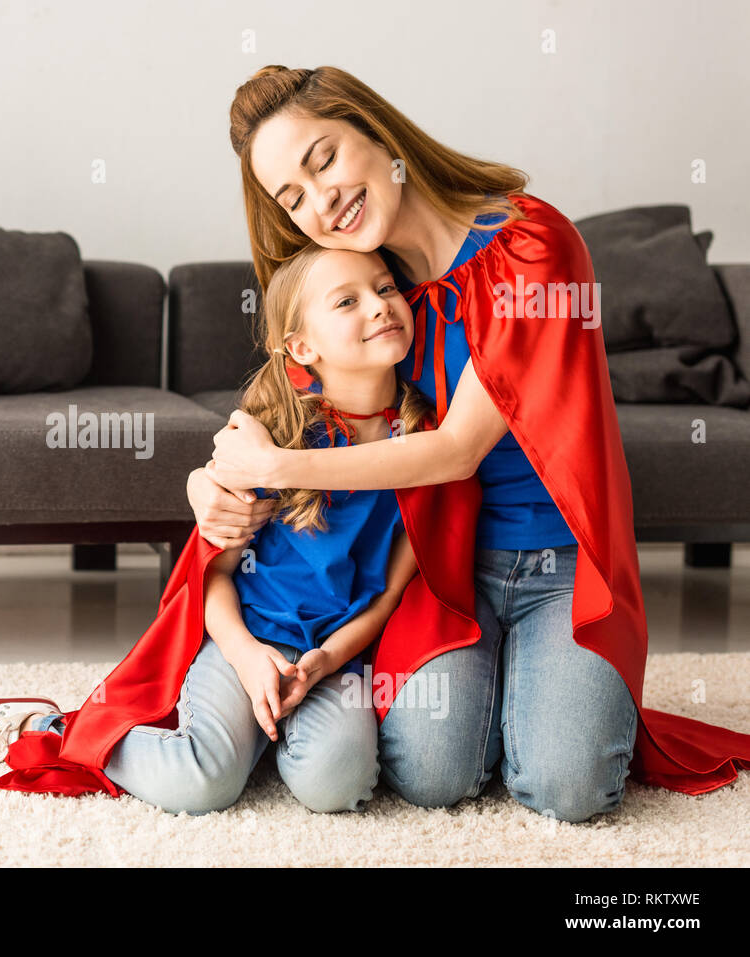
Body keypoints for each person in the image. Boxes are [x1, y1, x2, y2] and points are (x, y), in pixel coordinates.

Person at [187, 64, 750, 818]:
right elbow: (281, 404)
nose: (321, 200)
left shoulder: (531, 246)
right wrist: (209, 483)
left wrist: (275, 465)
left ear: (376, 130)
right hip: (444, 567)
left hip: (562, 568)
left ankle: (549, 689)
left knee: (569, 786)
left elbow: (456, 450)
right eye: (292, 196)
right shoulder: (368, 276)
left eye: (323, 159)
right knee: (428, 776)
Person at [0, 243, 428, 814]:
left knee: (340, 785)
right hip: (245, 636)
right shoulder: (270, 438)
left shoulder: (424, 441)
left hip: (337, 658)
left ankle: (260, 740)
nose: (378, 307)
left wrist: (324, 661)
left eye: (384, 289)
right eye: (347, 301)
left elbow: (388, 594)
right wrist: (250, 656)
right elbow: (213, 575)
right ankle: (47, 725)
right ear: (303, 346)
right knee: (201, 784)